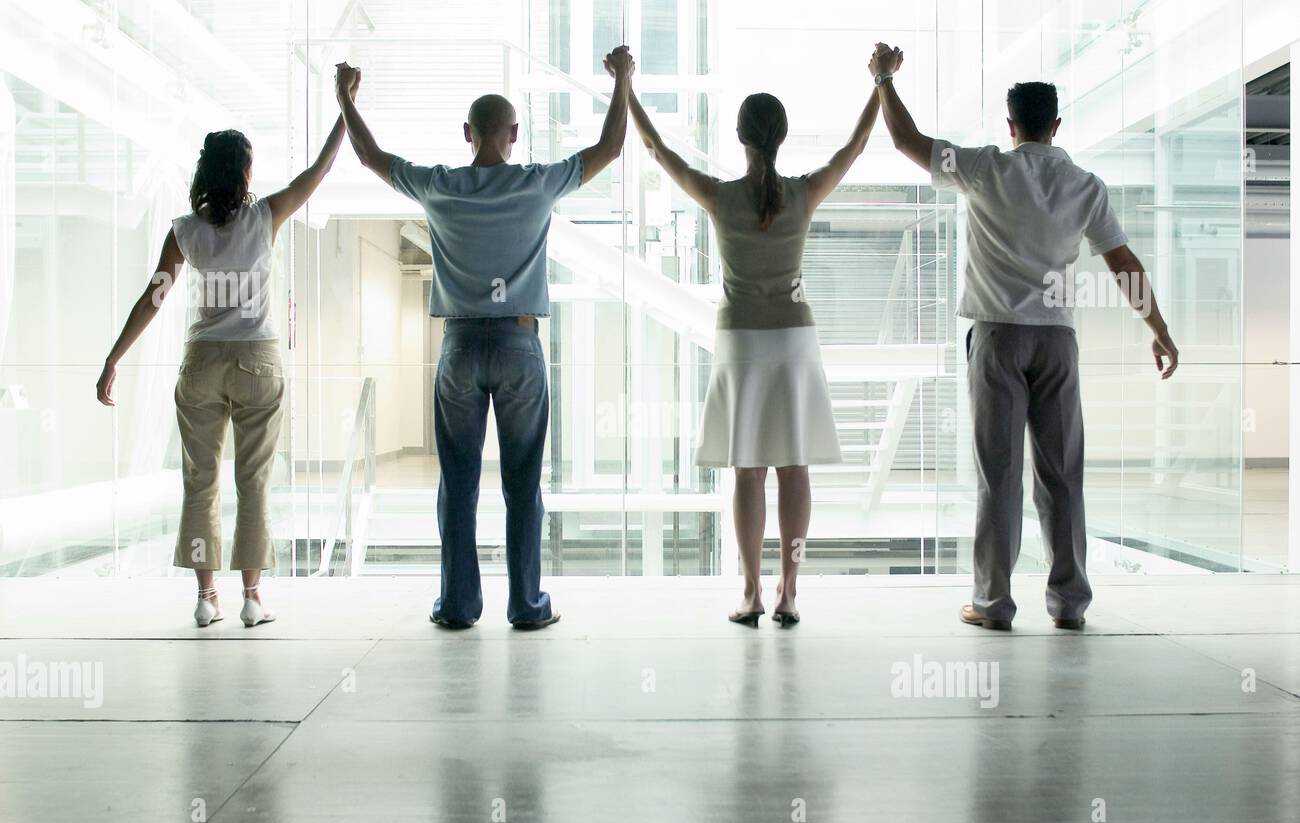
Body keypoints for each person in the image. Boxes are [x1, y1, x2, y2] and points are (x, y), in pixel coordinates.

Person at [869, 43, 1180, 631]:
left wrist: (884, 79)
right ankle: (1069, 605)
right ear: (1056, 125)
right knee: (1062, 476)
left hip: (997, 339)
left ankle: (993, 604)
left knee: (999, 474)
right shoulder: (1085, 185)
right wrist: (1157, 328)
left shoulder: (987, 168)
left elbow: (907, 142)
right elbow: (1122, 262)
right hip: (1057, 343)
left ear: (1010, 126)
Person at [332, 48, 635, 630]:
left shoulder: (439, 187)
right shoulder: (538, 184)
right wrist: (622, 79)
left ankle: (458, 606)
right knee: (523, 483)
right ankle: (526, 606)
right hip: (521, 346)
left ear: (467, 133)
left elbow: (371, 157)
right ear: (514, 135)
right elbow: (610, 148)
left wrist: (346, 99)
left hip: (461, 347)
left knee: (459, 483)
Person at [96, 75, 359, 627]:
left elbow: (154, 299)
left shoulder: (185, 232)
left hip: (202, 363)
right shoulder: (266, 216)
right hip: (257, 361)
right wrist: (345, 105)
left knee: (200, 480)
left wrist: (113, 358)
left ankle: (205, 597)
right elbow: (321, 170)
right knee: (254, 480)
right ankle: (252, 598)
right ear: (244, 171)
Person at [627, 71, 881, 627]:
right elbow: (857, 146)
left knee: (748, 471)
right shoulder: (804, 192)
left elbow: (655, 147)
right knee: (794, 468)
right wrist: (880, 81)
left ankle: (751, 592)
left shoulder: (721, 196)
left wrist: (625, 85)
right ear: (781, 136)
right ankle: (790, 591)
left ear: (741, 137)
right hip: (793, 339)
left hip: (741, 339)